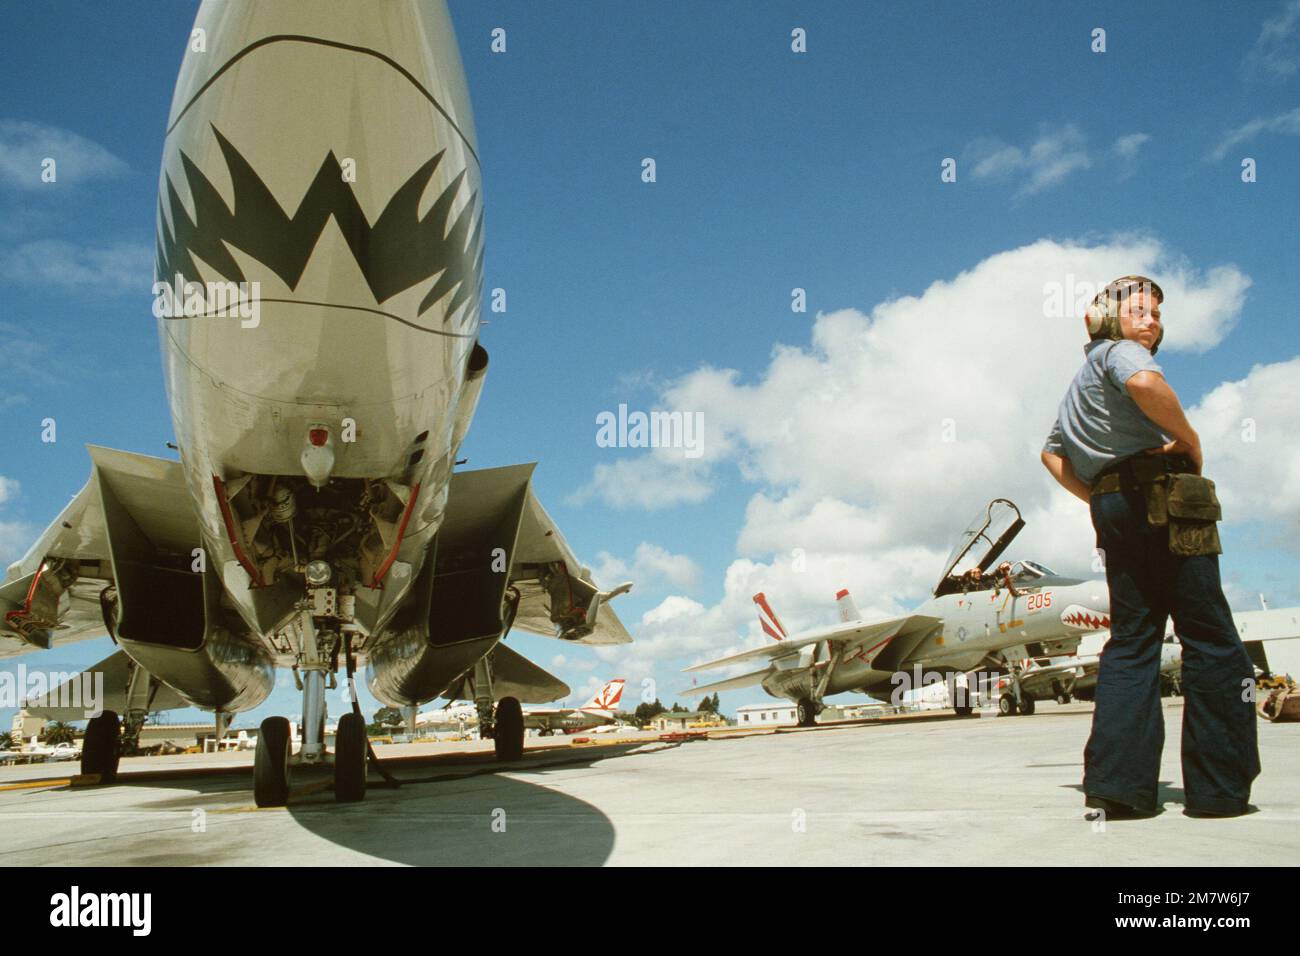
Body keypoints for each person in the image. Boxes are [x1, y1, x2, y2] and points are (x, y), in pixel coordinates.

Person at [1040, 275, 1259, 819]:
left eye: (1157, 314)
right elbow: (1144, 384)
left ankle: (1118, 788)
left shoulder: (1080, 381)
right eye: (1139, 309)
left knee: (1133, 642)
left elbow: (1050, 453)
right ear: (1106, 318)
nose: (1152, 320)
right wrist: (1188, 441)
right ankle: (1218, 792)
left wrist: (1099, 495)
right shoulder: (1120, 355)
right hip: (1168, 498)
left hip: (1114, 506)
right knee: (1211, 640)